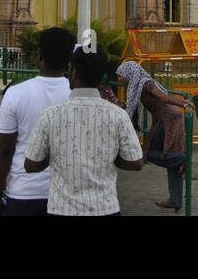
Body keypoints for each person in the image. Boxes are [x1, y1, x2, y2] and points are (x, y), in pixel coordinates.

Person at [23, 47, 143, 216]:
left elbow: (31, 164)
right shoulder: (118, 115)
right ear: (101, 76)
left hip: (62, 209)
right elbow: (136, 162)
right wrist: (111, 158)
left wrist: (55, 155)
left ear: (74, 73)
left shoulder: (51, 114)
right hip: (104, 208)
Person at [0, 26, 74, 216]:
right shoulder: (77, 97)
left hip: (23, 193)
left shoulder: (16, 94)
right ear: (69, 61)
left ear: (39, 56)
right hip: (67, 195)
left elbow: (4, 150)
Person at [116, 60, 194, 211]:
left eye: (121, 76)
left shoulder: (145, 83)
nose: (120, 80)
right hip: (165, 118)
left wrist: (184, 103)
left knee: (148, 154)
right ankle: (175, 200)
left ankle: (184, 158)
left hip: (167, 119)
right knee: (172, 160)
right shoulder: (138, 85)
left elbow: (164, 97)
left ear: (129, 73)